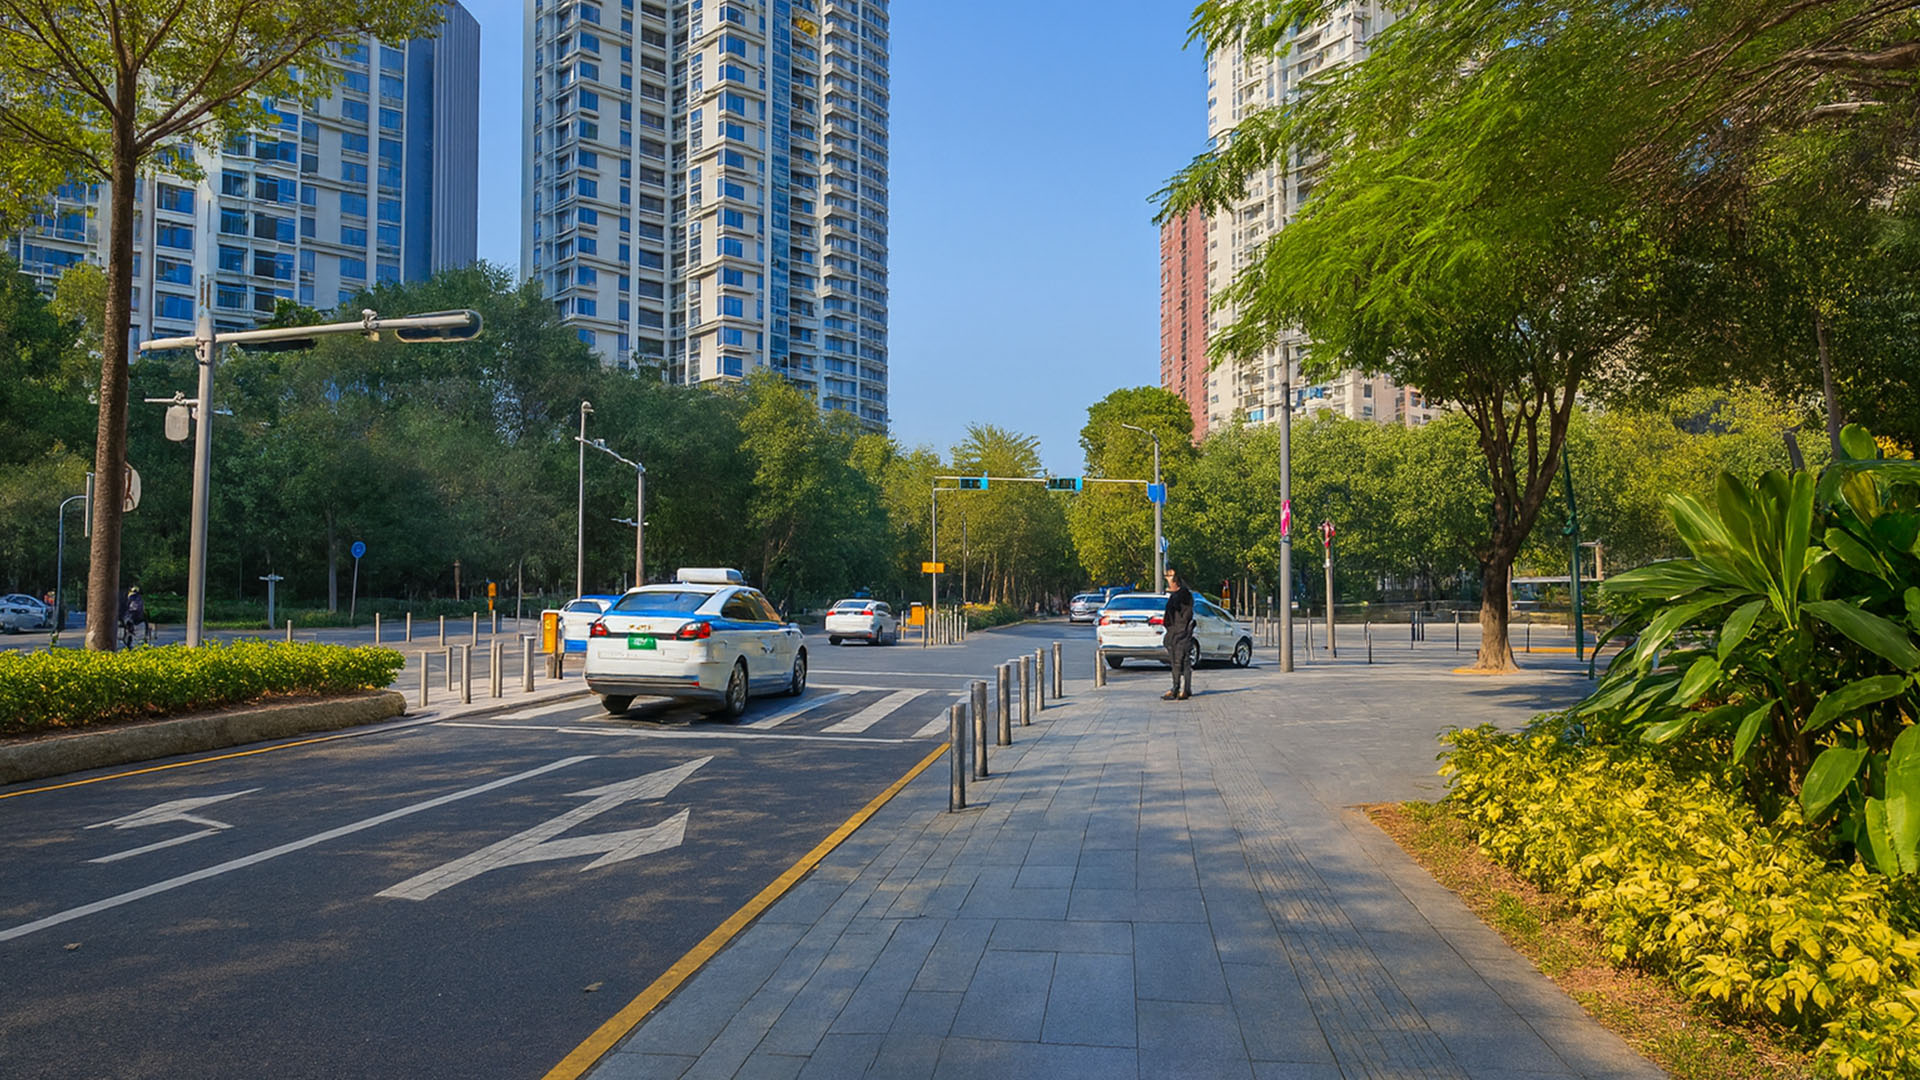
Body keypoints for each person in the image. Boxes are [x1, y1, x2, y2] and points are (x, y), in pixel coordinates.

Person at [1162, 568, 1195, 700]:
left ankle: (1179, 689)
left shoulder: (1183, 595)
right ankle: (1181, 688)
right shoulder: (1177, 595)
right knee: (1179, 662)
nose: (1167, 580)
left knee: (1181, 661)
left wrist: (1174, 628)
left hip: (1181, 632)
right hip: (1175, 632)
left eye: (1169, 577)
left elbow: (1183, 613)